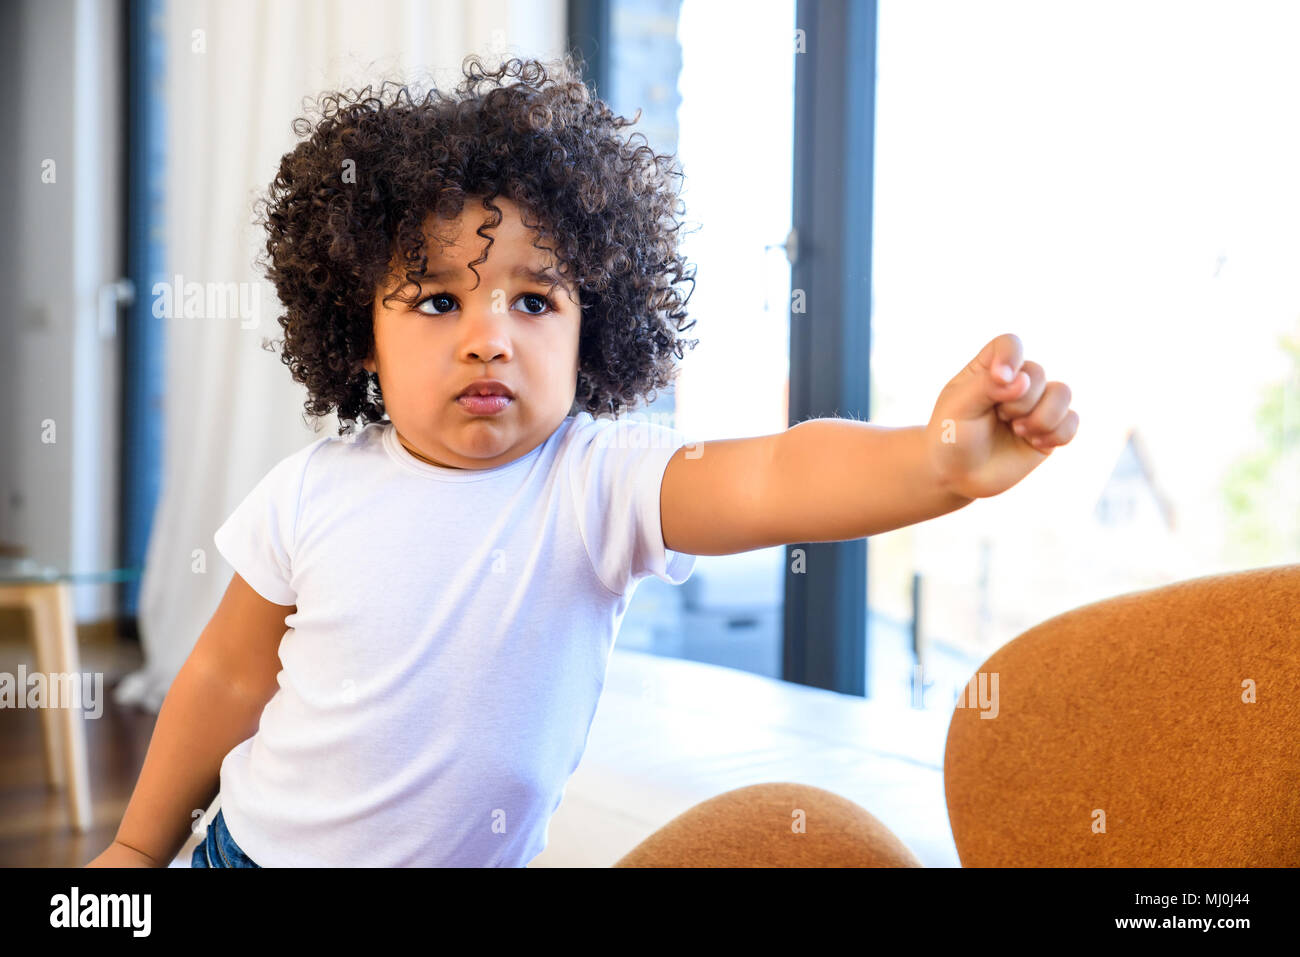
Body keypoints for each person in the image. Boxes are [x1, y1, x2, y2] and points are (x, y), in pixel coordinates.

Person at [87, 53, 1077, 868]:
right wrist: (137, 849)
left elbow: (777, 477)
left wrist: (938, 462)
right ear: (358, 333)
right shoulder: (309, 491)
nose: (489, 339)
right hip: (252, 857)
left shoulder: (598, 482)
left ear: (590, 326)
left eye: (534, 299)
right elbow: (223, 676)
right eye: (438, 302)